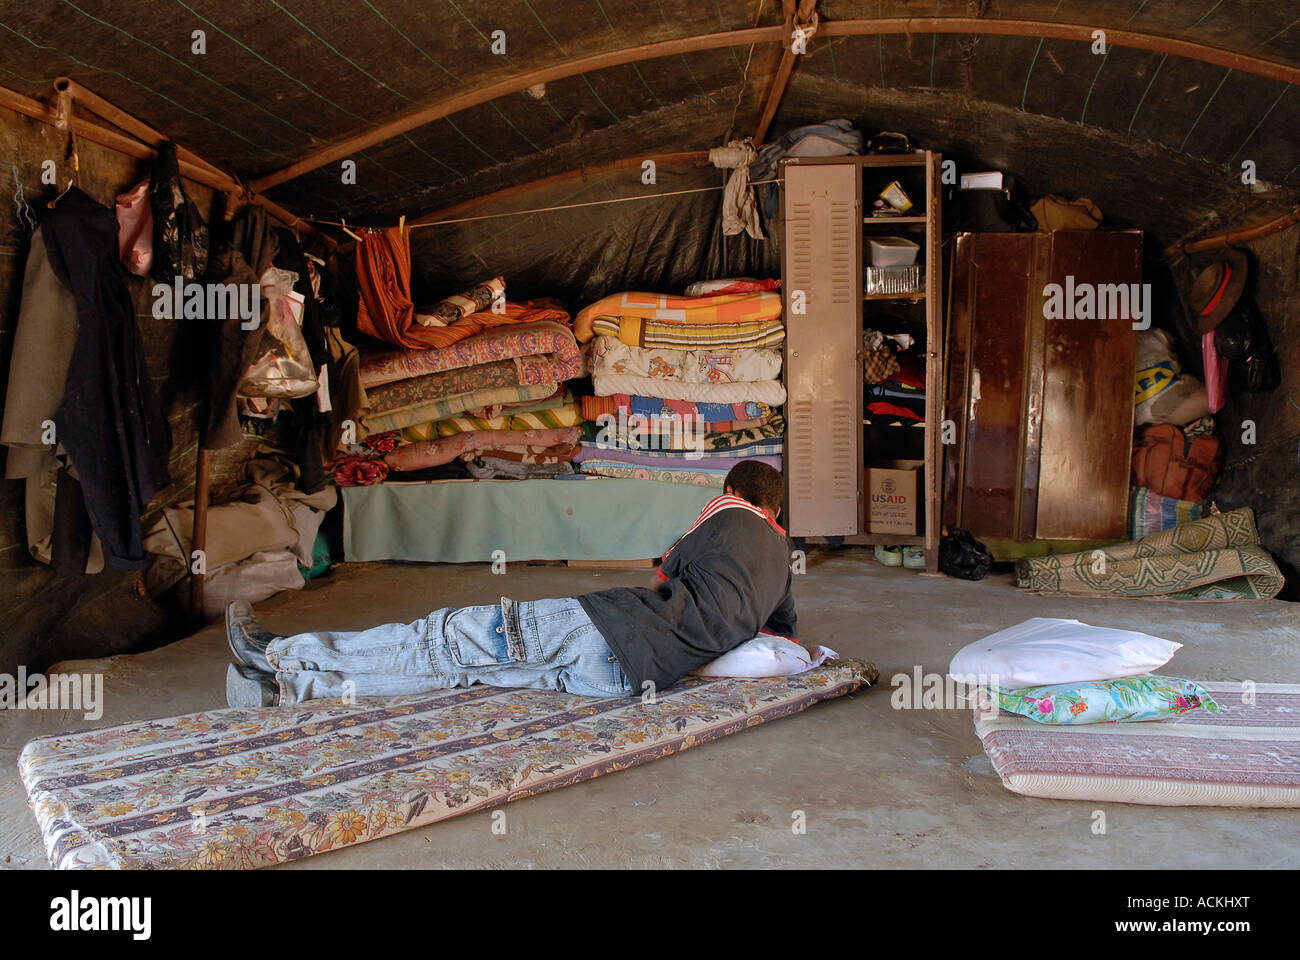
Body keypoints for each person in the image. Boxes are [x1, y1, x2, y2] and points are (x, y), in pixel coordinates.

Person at [225, 460, 798, 707]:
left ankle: (275, 654)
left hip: (608, 630)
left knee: (443, 637)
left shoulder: (727, 509)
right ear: (775, 508)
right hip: (625, 678)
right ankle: (282, 693)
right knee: (464, 671)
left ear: (736, 493)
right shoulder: (782, 553)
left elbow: (664, 568)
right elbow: (784, 635)